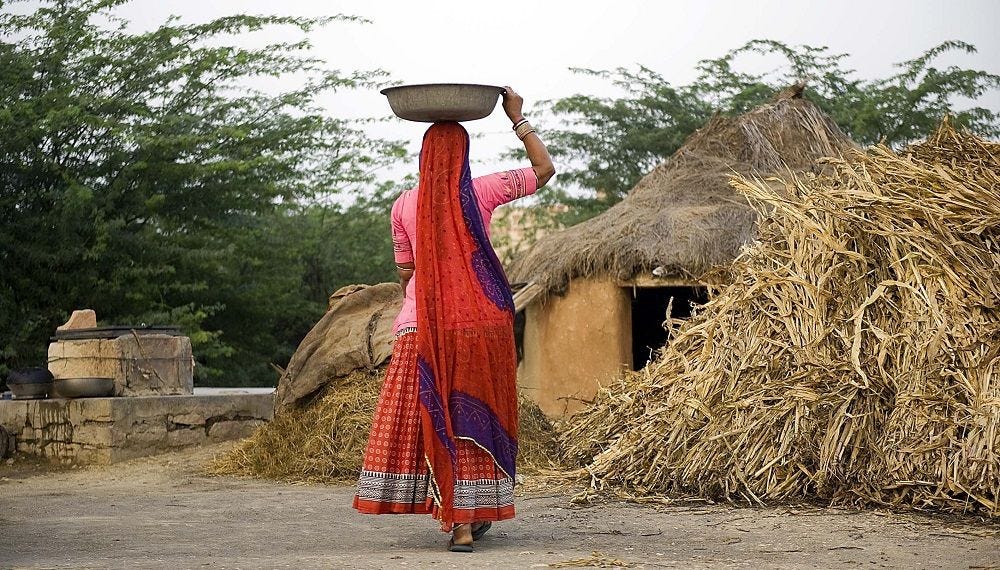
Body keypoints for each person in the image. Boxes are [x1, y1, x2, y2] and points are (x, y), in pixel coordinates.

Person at [353, 86, 555, 552]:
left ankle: (455, 518)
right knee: (472, 420)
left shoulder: (404, 204)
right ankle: (469, 518)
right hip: (479, 327)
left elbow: (406, 271)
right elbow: (544, 170)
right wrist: (517, 118)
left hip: (419, 327)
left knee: (431, 419)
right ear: (464, 155)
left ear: (423, 156)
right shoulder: (481, 192)